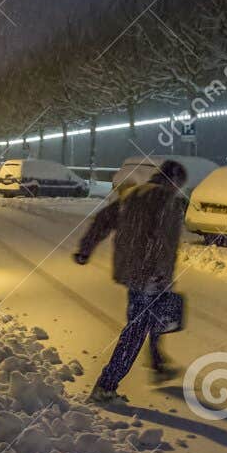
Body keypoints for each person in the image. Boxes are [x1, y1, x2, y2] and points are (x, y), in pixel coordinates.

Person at [73, 159, 189, 403]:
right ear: (175, 182)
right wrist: (158, 275)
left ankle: (157, 362)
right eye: (180, 184)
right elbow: (161, 241)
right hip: (150, 275)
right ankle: (106, 386)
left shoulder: (133, 194)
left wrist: (86, 248)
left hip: (134, 272)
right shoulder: (166, 201)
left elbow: (103, 220)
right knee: (136, 331)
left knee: (161, 312)